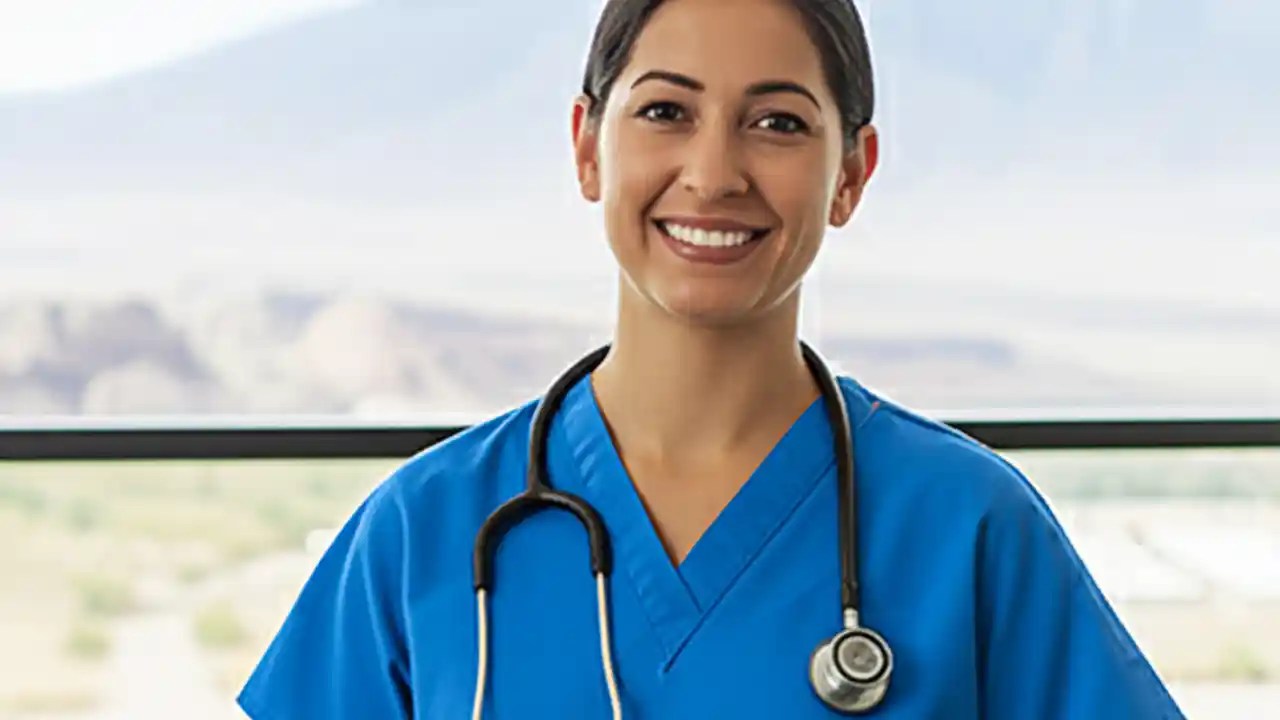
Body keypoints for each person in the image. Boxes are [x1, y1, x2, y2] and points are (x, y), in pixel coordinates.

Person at [237, 0, 1186, 717]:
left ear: (851, 173)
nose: (714, 173)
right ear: (586, 149)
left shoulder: (969, 528)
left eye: (777, 123)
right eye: (664, 112)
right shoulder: (422, 531)